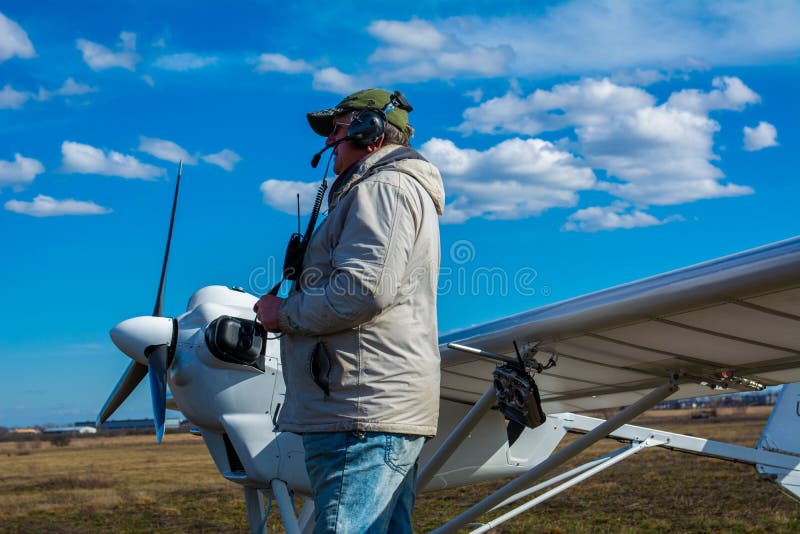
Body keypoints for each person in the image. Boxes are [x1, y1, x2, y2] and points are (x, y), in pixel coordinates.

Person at [254, 88, 445, 533]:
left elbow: (362, 291)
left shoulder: (381, 189)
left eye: (336, 129)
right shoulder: (383, 190)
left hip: (359, 415)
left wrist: (285, 313)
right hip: (365, 412)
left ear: (368, 132)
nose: (329, 142)